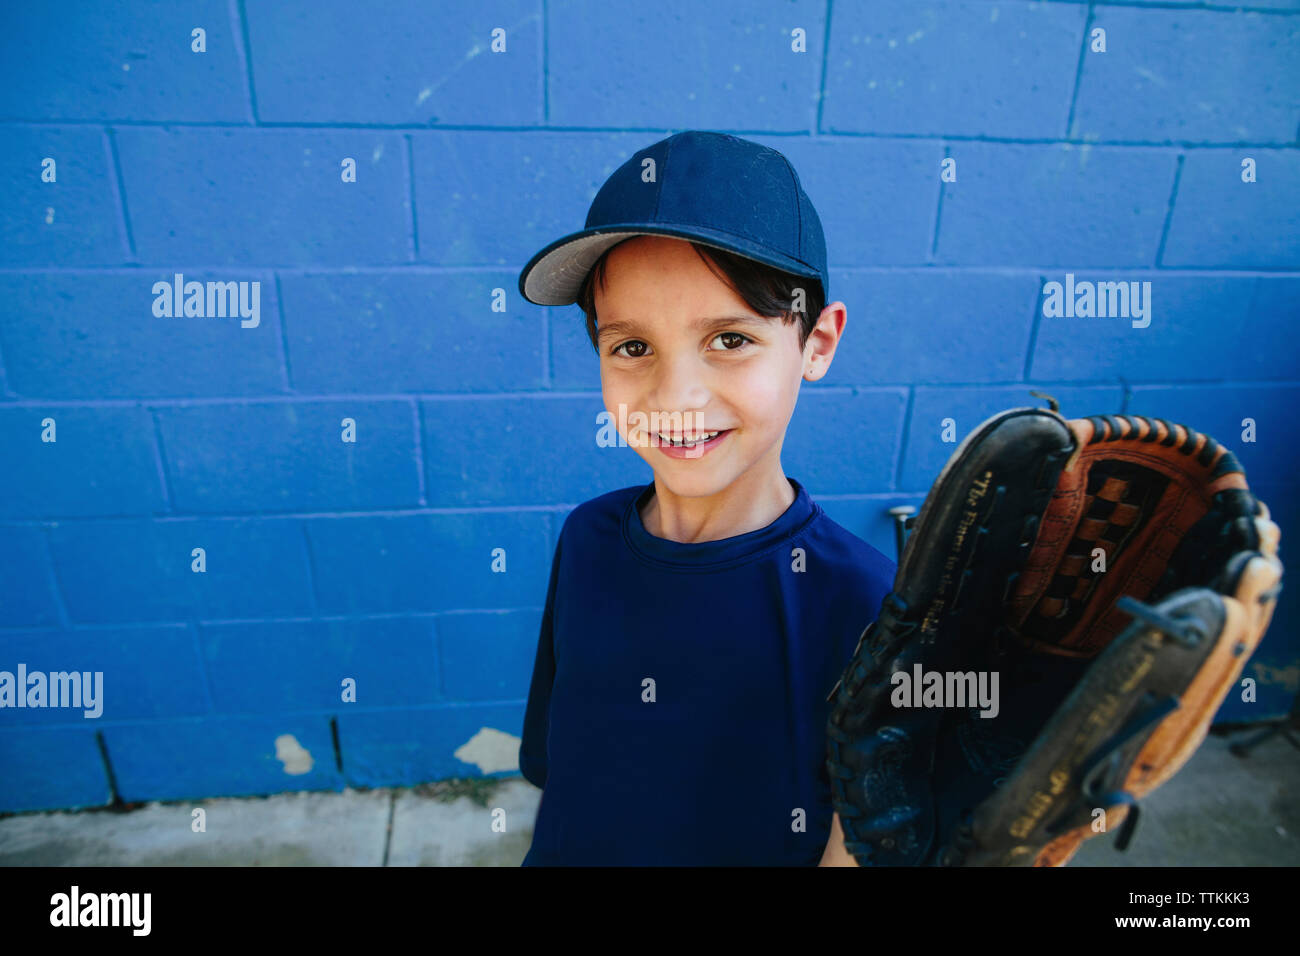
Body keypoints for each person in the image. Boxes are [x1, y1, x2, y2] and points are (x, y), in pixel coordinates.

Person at [515, 130, 893, 865]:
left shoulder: (868, 603)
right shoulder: (588, 536)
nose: (676, 396)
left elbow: (870, 833)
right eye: (631, 347)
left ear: (817, 342)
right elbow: (561, 764)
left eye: (729, 338)